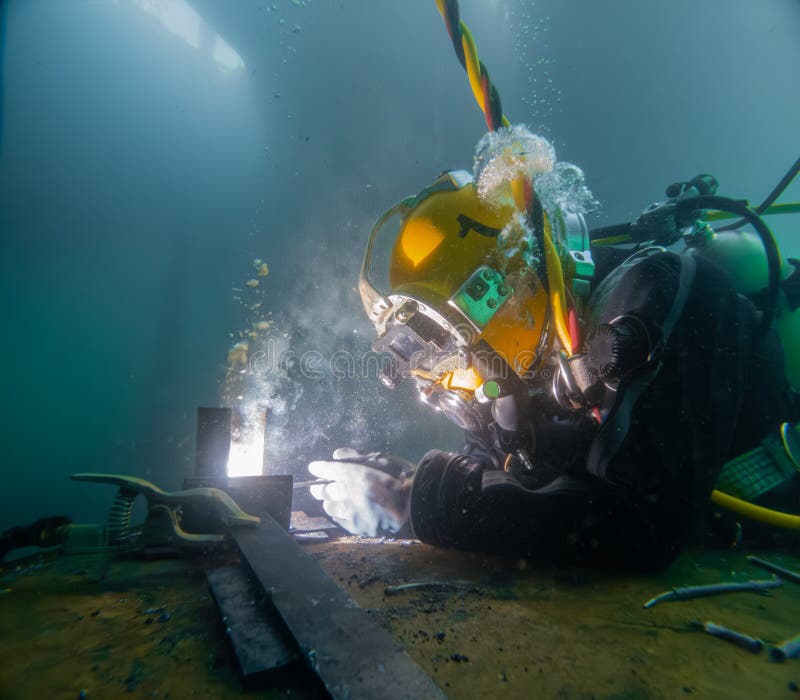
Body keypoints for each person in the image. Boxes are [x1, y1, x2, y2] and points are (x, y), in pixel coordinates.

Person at [309, 126, 800, 570]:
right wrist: (413, 481)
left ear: (512, 293)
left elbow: (642, 528)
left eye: (450, 346)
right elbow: (504, 466)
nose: (449, 379)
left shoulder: (651, 306)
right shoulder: (511, 358)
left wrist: (419, 503)